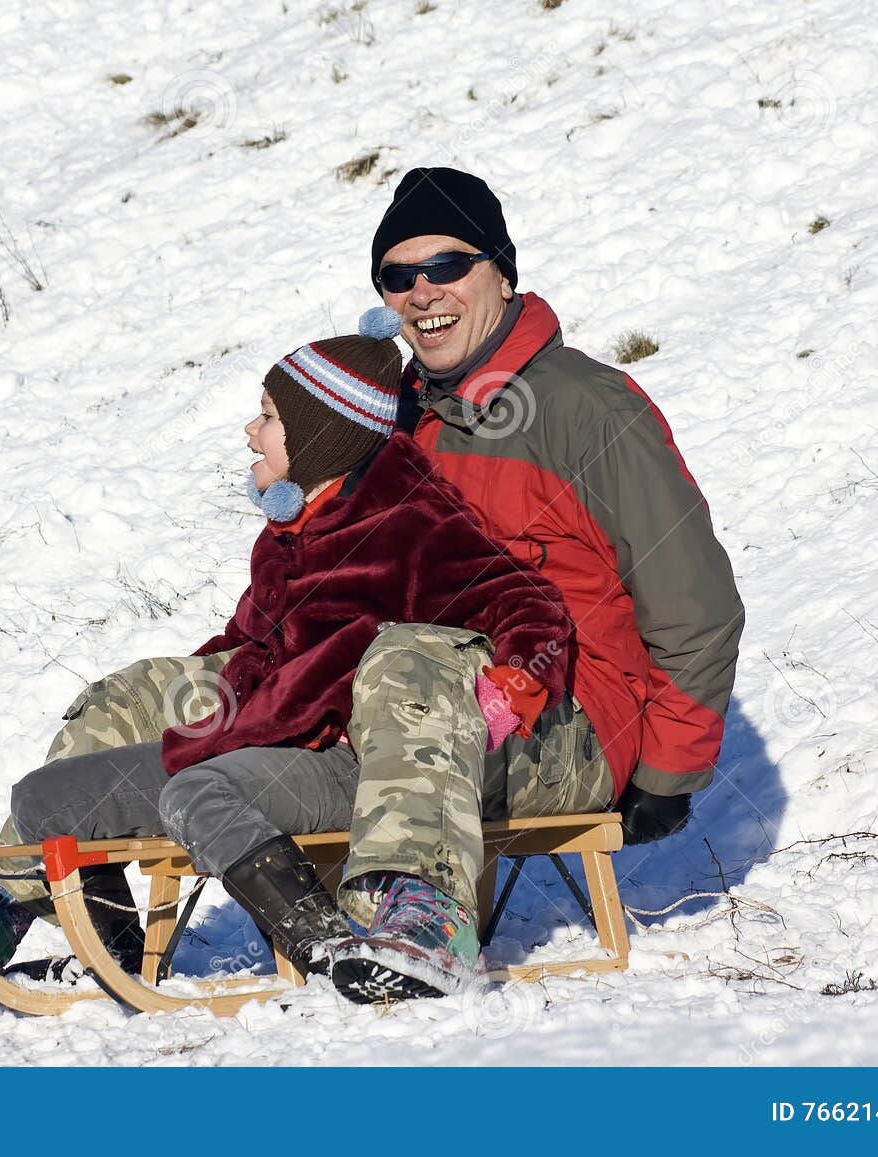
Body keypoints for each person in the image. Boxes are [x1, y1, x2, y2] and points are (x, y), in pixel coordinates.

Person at [0, 307, 574, 1004]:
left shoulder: (411, 522)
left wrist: (511, 685)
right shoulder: (293, 532)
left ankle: (420, 917)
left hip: (332, 750)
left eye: (269, 417)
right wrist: (199, 688)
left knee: (393, 663)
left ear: (319, 434)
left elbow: (526, 602)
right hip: (269, 720)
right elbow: (251, 645)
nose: (250, 431)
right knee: (127, 695)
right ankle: (4, 919)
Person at [319, 166, 747, 1002]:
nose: (421, 292)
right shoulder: (390, 419)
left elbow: (696, 603)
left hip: (569, 723)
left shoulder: (587, 408)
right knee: (210, 682)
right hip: (414, 715)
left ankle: (424, 921)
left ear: (503, 273)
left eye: (446, 266)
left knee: (411, 662)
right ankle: (53, 889)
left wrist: (665, 770)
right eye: (397, 276)